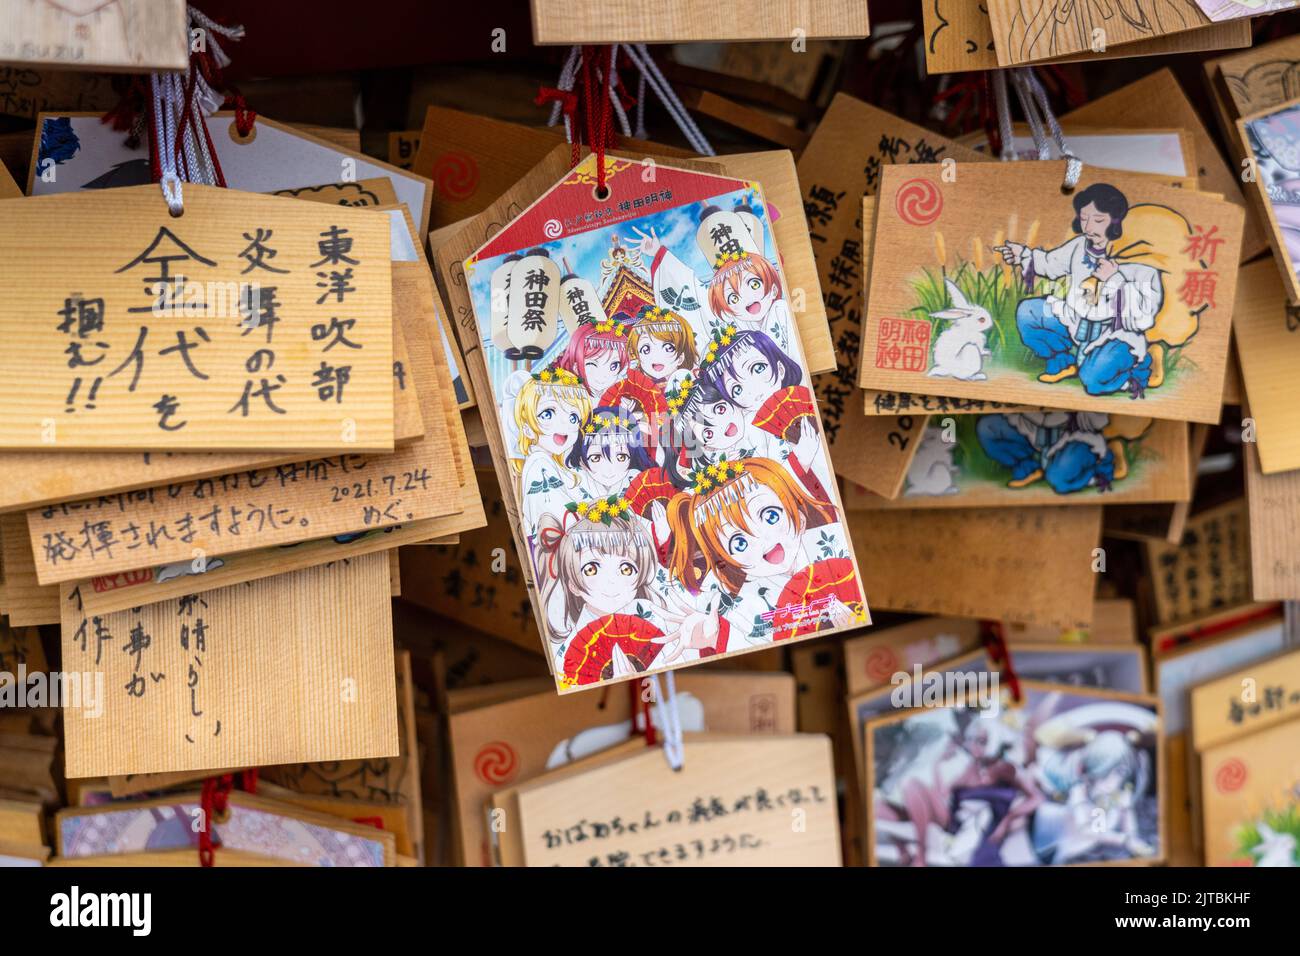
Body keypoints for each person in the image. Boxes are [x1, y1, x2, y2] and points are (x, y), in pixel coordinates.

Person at [996, 183, 1163, 397]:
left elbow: (1143, 317)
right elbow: (1050, 263)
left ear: (1115, 221)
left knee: (1092, 382)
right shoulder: (1080, 245)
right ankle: (1063, 362)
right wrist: (1022, 255)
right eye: (1084, 218)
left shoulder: (1139, 259)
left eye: (1098, 220)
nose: (1089, 227)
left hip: (1117, 334)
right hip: (1076, 321)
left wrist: (1115, 278)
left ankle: (1143, 368)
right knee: (1029, 312)